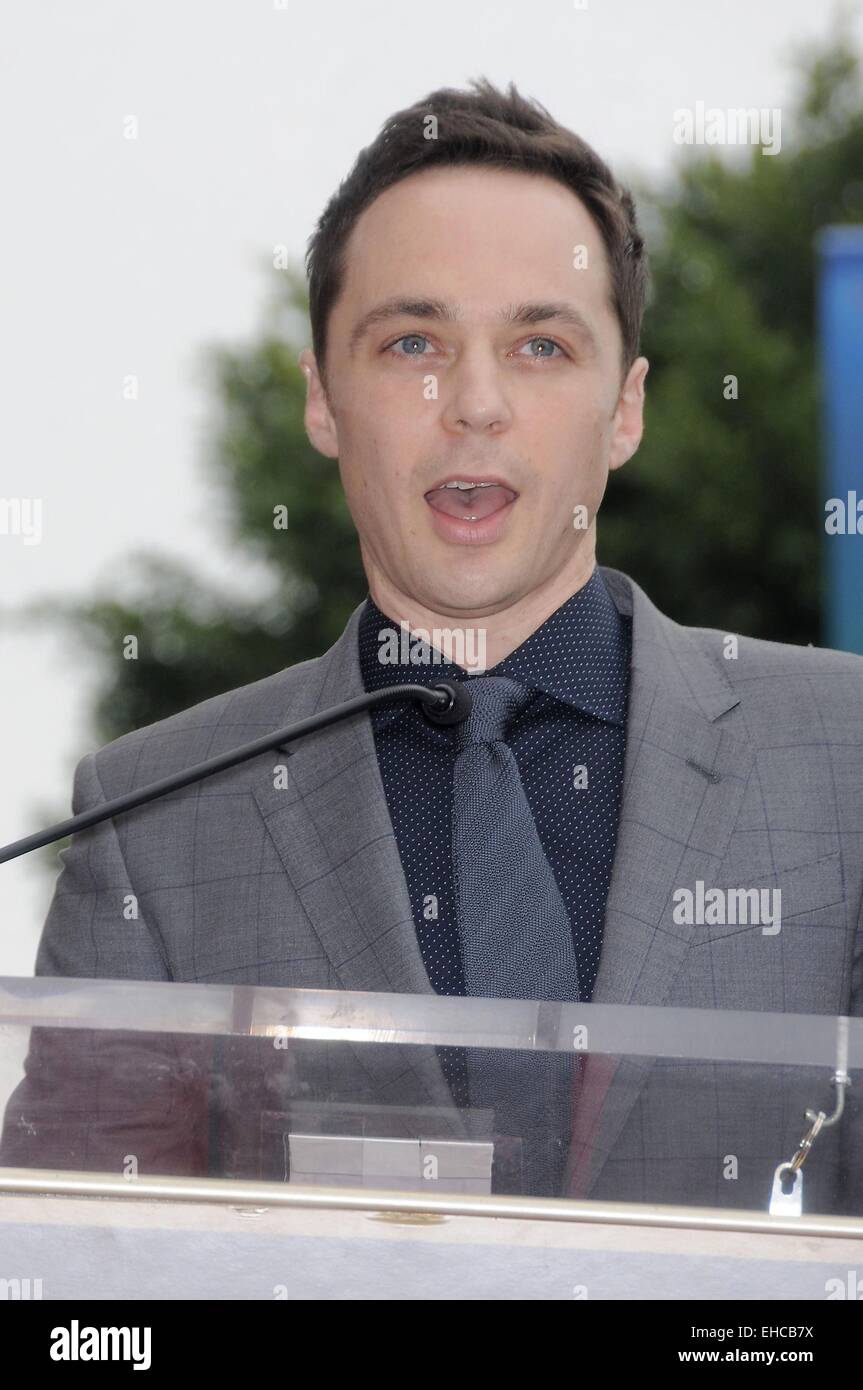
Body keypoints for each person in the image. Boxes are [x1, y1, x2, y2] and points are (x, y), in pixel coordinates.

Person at [3, 81, 861, 1207]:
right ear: (321, 399)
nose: (474, 402)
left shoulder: (843, 760)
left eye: (541, 346)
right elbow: (81, 1288)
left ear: (626, 408)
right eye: (412, 340)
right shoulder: (153, 821)